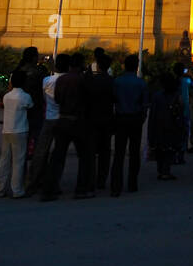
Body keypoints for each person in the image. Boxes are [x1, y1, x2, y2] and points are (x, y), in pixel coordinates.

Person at [41, 54, 94, 200]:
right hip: (78, 121)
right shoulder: (83, 80)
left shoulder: (62, 79)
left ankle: (49, 190)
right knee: (84, 157)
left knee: (57, 157)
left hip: (63, 119)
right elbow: (89, 100)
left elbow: (57, 99)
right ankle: (81, 189)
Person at [26, 54, 69, 195]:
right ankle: (53, 183)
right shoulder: (68, 81)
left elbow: (45, 98)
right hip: (62, 119)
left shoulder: (47, 80)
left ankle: (33, 181)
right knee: (58, 153)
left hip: (49, 117)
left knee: (41, 151)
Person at [110, 53, 149, 196]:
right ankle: (132, 183)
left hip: (121, 118)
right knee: (134, 152)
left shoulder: (117, 82)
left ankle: (116, 186)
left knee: (119, 153)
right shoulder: (141, 83)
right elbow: (145, 105)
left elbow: (112, 100)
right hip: (135, 119)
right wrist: (142, 118)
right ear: (136, 67)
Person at [0, 69, 33, 198]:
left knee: (4, 160)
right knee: (18, 161)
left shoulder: (6, 96)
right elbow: (30, 106)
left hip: (6, 130)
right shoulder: (25, 96)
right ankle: (17, 190)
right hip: (20, 130)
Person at [147, 73, 184, 181]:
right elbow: (180, 111)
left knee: (160, 147)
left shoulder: (157, 95)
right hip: (172, 124)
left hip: (158, 124)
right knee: (169, 149)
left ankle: (161, 169)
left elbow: (153, 113)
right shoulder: (176, 95)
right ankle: (166, 171)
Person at [86, 53, 114, 189]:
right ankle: (101, 180)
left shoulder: (91, 81)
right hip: (106, 120)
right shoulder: (112, 81)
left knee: (91, 151)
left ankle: (90, 180)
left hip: (92, 120)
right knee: (105, 151)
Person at [17, 47, 47, 158]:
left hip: (21, 104)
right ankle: (35, 153)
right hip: (36, 105)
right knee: (37, 133)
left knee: (24, 133)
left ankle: (24, 152)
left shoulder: (19, 69)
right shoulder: (40, 71)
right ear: (34, 57)